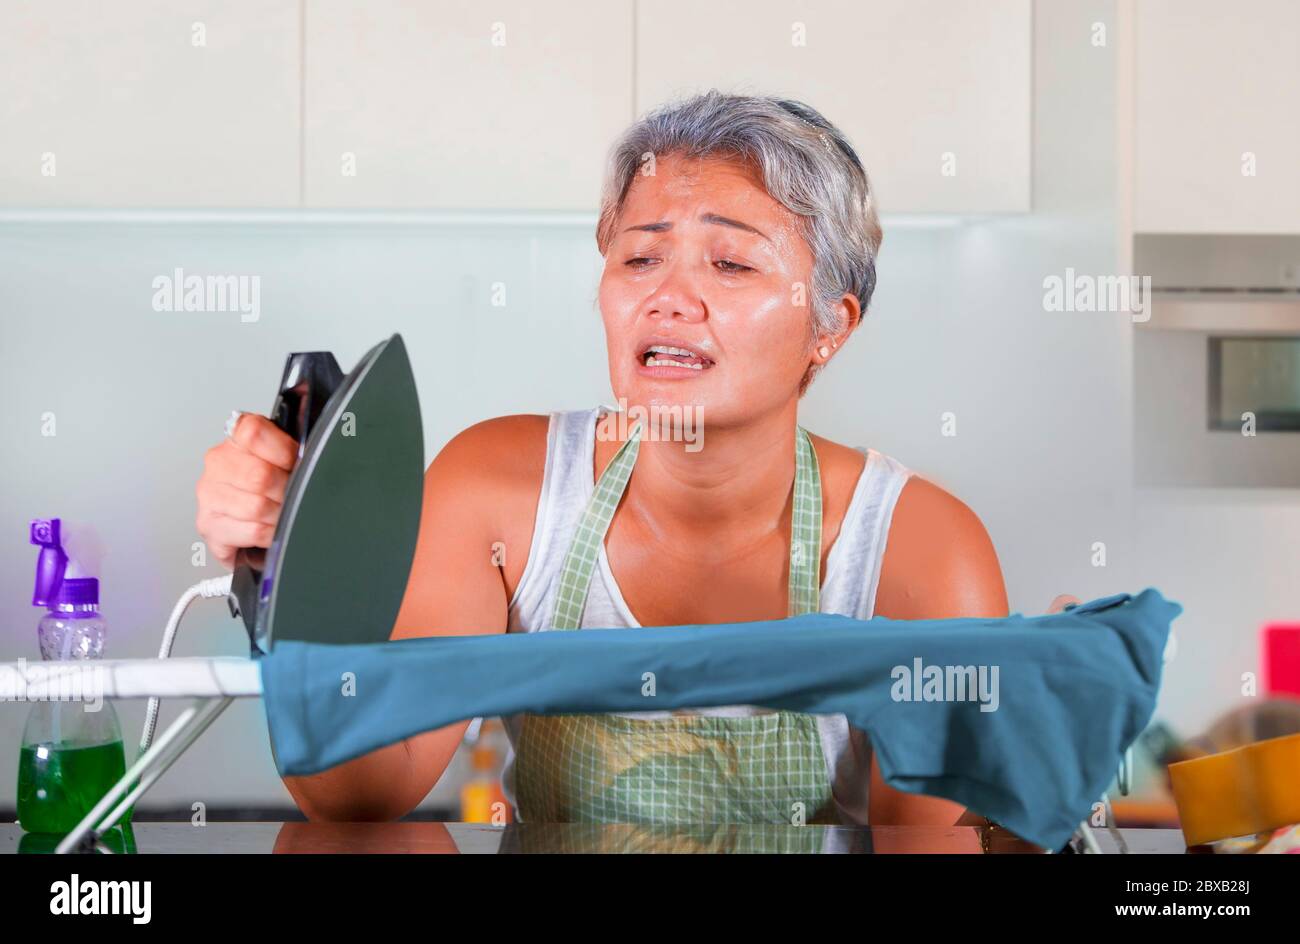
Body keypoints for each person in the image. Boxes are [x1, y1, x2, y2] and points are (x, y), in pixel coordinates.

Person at [196, 91, 1075, 828]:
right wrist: (289, 576)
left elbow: (925, 850)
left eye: (731, 263)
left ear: (829, 326)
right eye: (641, 256)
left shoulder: (916, 551)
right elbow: (357, 792)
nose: (669, 296)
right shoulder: (499, 490)